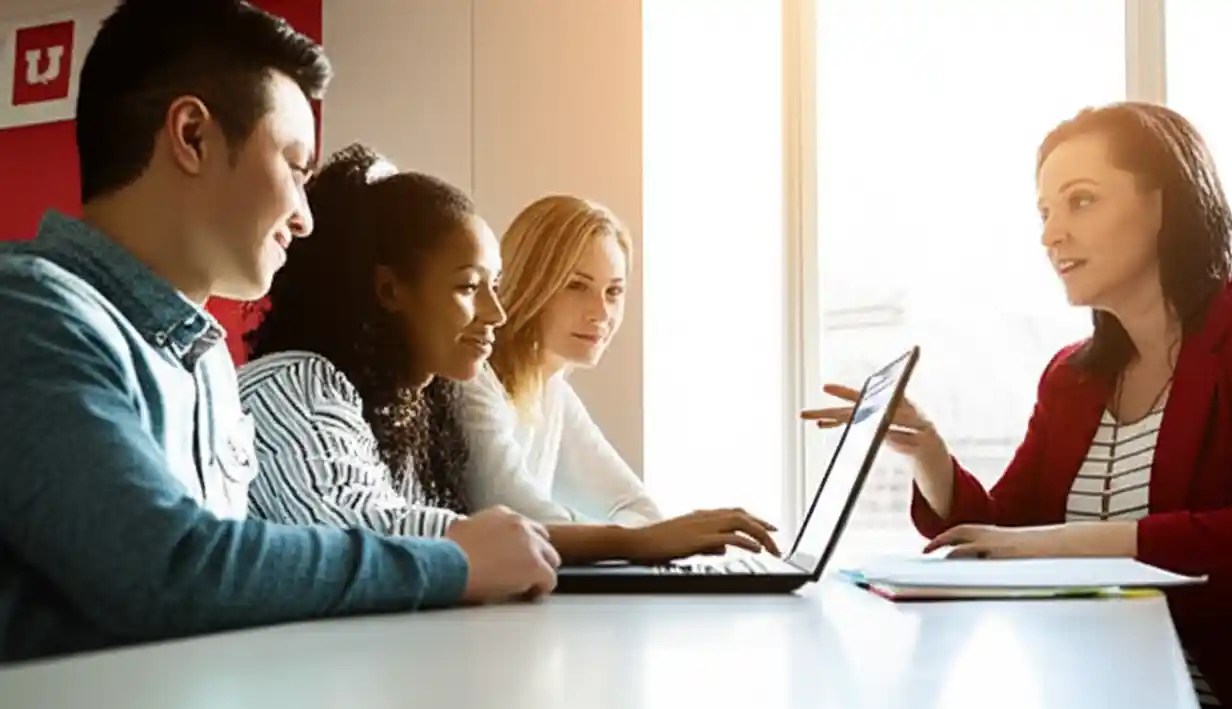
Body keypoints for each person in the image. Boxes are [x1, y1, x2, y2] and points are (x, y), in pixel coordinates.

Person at [0, 0, 556, 663]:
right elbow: (167, 566)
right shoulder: (30, 313)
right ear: (192, 137)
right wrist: (451, 561)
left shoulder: (203, 359)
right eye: (295, 169)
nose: (304, 218)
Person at [803, 102, 1232, 709]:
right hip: (1086, 692)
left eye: (1081, 201)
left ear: (1164, 203)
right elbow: (1001, 533)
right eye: (1045, 212)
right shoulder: (1072, 378)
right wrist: (929, 453)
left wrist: (1059, 544)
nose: (1052, 235)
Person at [239, 144, 779, 565]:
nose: (497, 313)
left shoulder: (409, 409)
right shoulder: (294, 383)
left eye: (494, 286)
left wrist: (652, 540)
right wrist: (632, 543)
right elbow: (375, 532)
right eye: (469, 287)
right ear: (390, 290)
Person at [458, 195, 660, 525]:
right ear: (530, 284)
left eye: (613, 292)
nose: (601, 313)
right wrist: (635, 540)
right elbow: (519, 517)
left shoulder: (553, 391)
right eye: (576, 286)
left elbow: (642, 510)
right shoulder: (475, 381)